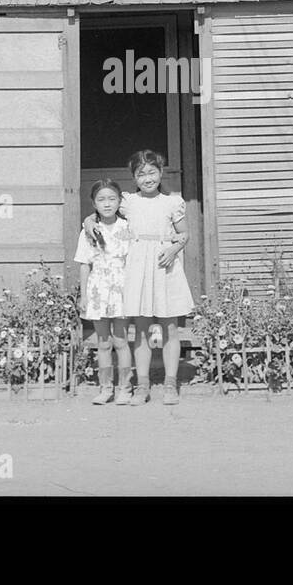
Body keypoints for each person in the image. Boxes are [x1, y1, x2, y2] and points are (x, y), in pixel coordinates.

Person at [86, 149, 193, 405]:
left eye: (152, 172)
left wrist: (174, 248)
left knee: (170, 327)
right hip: (137, 267)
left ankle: (170, 384)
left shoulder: (172, 202)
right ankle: (142, 384)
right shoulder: (128, 201)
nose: (148, 178)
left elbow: (184, 234)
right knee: (142, 329)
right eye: (141, 173)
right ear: (134, 177)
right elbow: (103, 208)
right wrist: (88, 221)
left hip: (164, 265)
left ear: (161, 172)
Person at [73, 179, 134, 405]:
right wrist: (84, 296)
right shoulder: (89, 230)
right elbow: (84, 264)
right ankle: (105, 387)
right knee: (103, 342)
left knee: (121, 341)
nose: (107, 204)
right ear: (93, 203)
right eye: (101, 200)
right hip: (98, 289)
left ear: (119, 201)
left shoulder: (127, 228)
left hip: (121, 289)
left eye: (112, 199)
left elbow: (133, 259)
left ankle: (125, 388)